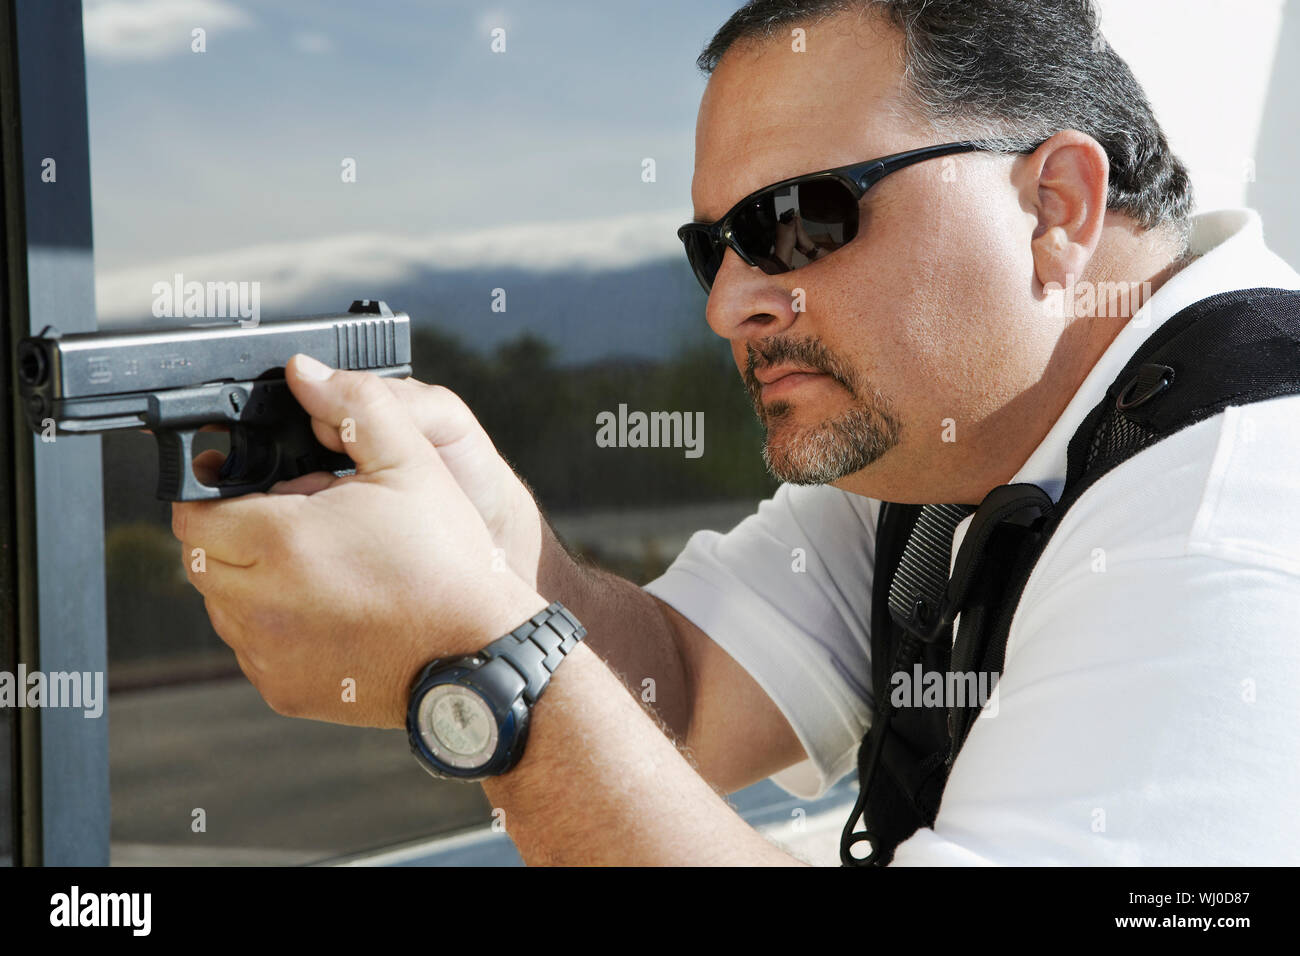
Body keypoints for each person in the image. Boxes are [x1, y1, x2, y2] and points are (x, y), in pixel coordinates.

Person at [173, 0, 1300, 865]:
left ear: (1055, 205)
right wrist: (502, 546)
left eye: (798, 220)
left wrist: (474, 656)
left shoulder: (1228, 515)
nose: (729, 303)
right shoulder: (952, 448)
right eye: (713, 245)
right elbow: (685, 700)